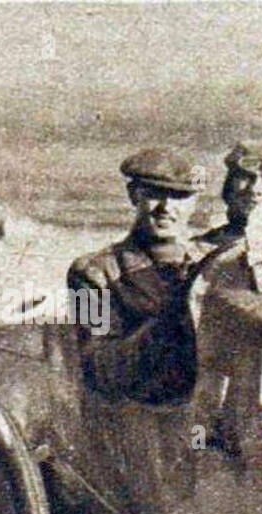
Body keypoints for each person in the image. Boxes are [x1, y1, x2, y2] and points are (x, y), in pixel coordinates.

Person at [68, 148, 203, 403]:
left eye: (179, 196)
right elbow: (98, 367)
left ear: (194, 202)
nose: (166, 207)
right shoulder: (93, 274)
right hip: (148, 419)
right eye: (154, 194)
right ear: (133, 195)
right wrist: (170, 323)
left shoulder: (208, 267)